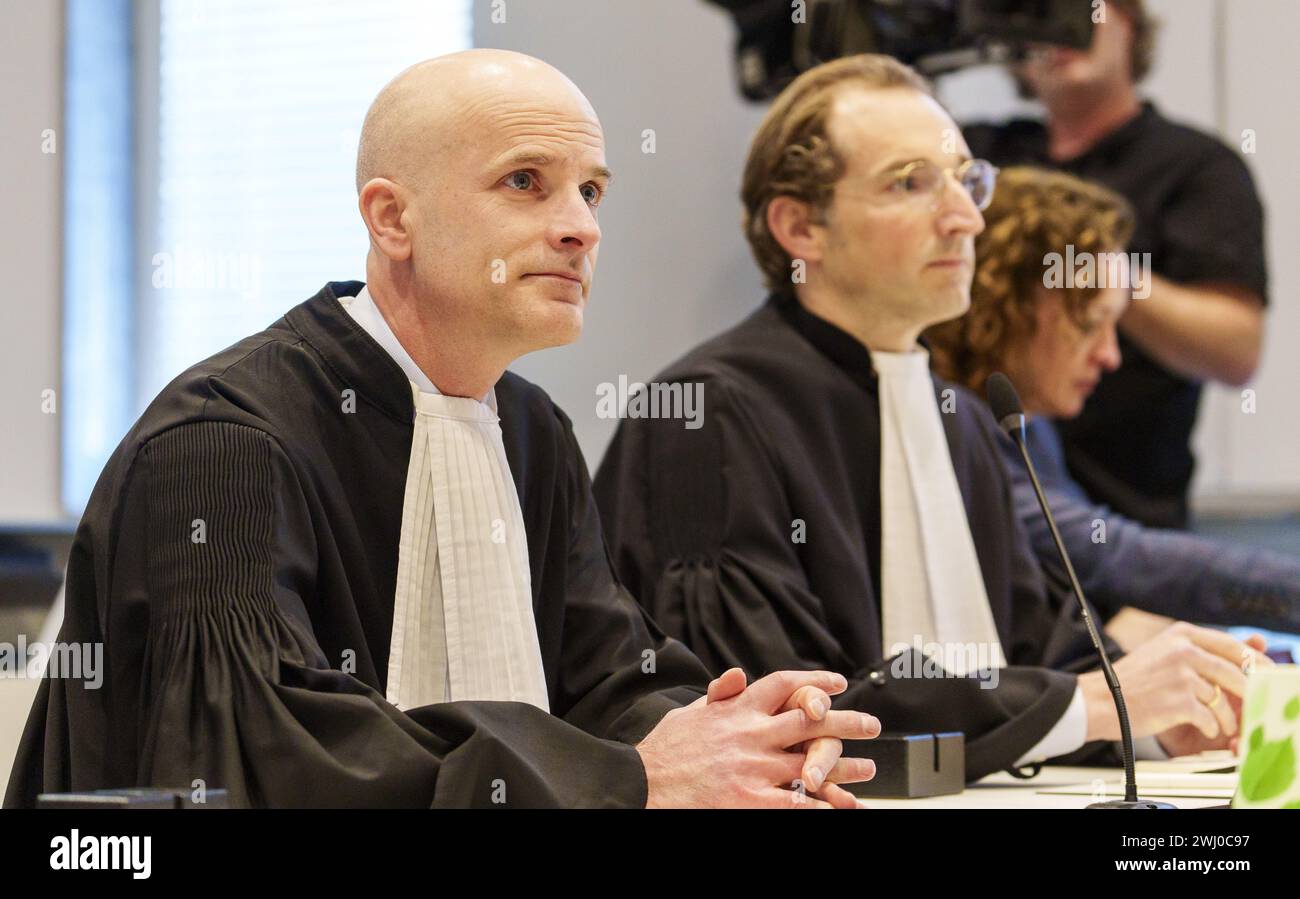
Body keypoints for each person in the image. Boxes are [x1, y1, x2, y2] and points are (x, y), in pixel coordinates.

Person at [5, 50, 881, 809]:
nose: (581, 226)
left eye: (592, 189)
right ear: (392, 218)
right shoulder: (222, 445)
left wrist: (729, 739)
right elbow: (261, 759)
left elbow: (608, 675)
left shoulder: (534, 430)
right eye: (525, 181)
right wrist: (626, 782)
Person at [594, 54, 1268, 783]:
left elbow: (1046, 657)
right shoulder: (705, 417)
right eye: (910, 183)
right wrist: (1092, 702)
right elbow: (777, 715)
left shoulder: (966, 421)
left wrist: (1171, 720)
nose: (965, 216)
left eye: (967, 180)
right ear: (800, 228)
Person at [925, 166, 1300, 647]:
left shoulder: (1026, 425)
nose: (1110, 355)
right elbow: (1114, 556)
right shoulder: (949, 428)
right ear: (1006, 306)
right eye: (1088, 324)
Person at [963, 0, 1268, 530]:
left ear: (1131, 24)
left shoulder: (1195, 168)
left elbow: (1237, 350)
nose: (1062, 30)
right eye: (1041, 14)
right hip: (987, 491)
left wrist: (1108, 277)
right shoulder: (983, 158)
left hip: (1134, 509)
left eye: (1084, 11)